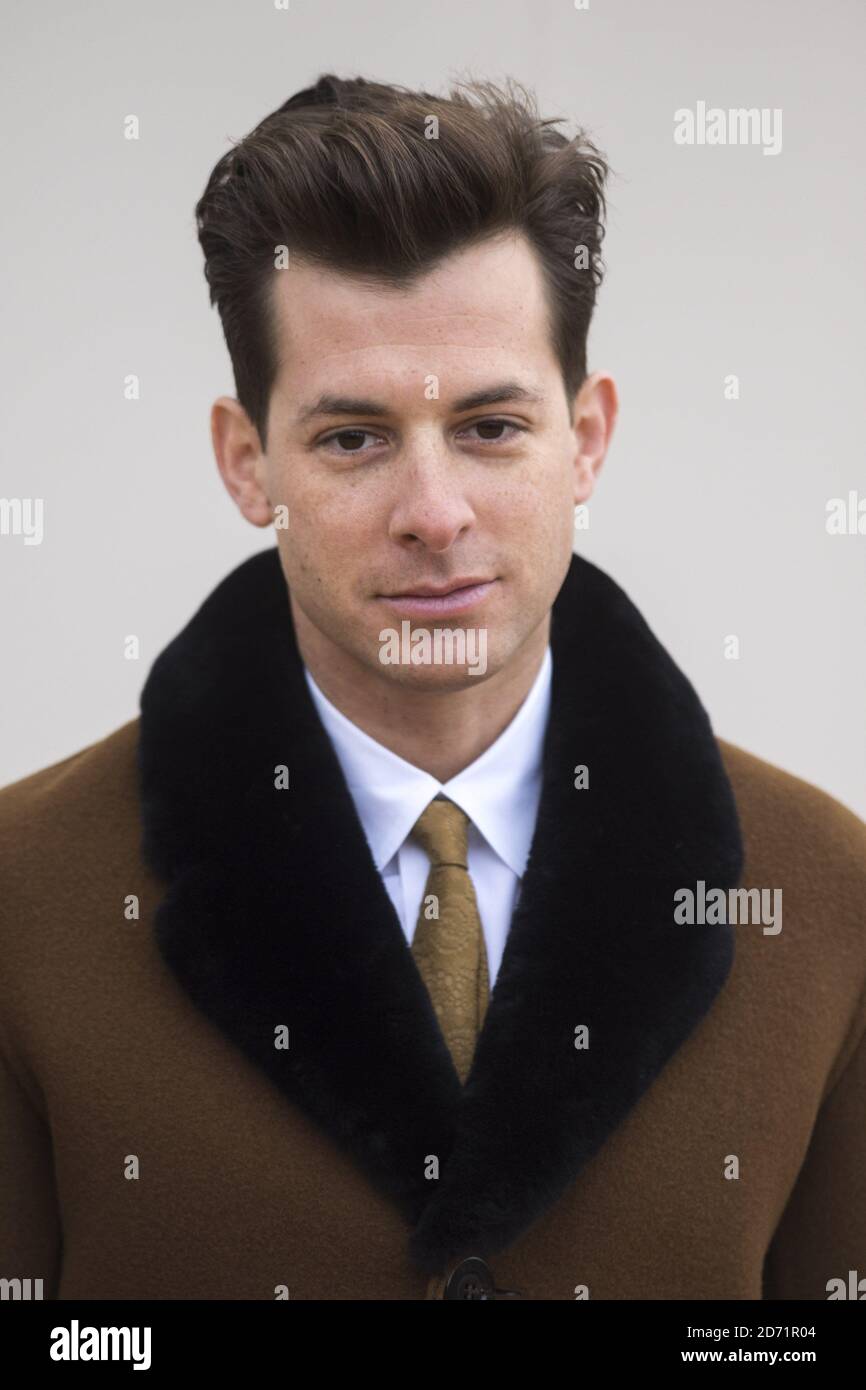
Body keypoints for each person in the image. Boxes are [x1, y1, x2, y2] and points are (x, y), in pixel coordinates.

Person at [1, 74, 864, 1302]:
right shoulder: (21, 902)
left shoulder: (825, 896)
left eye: (490, 427)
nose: (433, 514)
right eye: (351, 438)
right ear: (247, 464)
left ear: (589, 439)